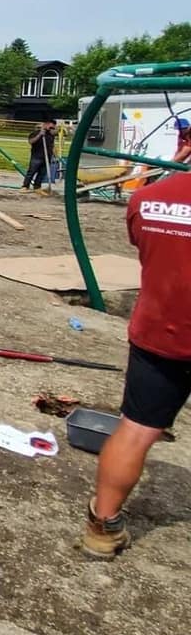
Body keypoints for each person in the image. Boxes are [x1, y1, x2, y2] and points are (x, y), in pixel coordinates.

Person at [81, 166, 191, 559]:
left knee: (135, 429)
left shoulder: (148, 199)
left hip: (159, 333)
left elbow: (148, 249)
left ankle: (102, 526)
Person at [21, 119, 58, 192]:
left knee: (42, 173)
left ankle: (37, 187)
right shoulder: (36, 133)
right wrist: (40, 135)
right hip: (37, 156)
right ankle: (25, 186)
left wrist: (54, 155)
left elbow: (52, 145)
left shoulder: (51, 134)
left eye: (53, 127)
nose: (52, 129)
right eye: (50, 127)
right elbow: (31, 141)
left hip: (47, 157)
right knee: (31, 172)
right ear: (45, 124)